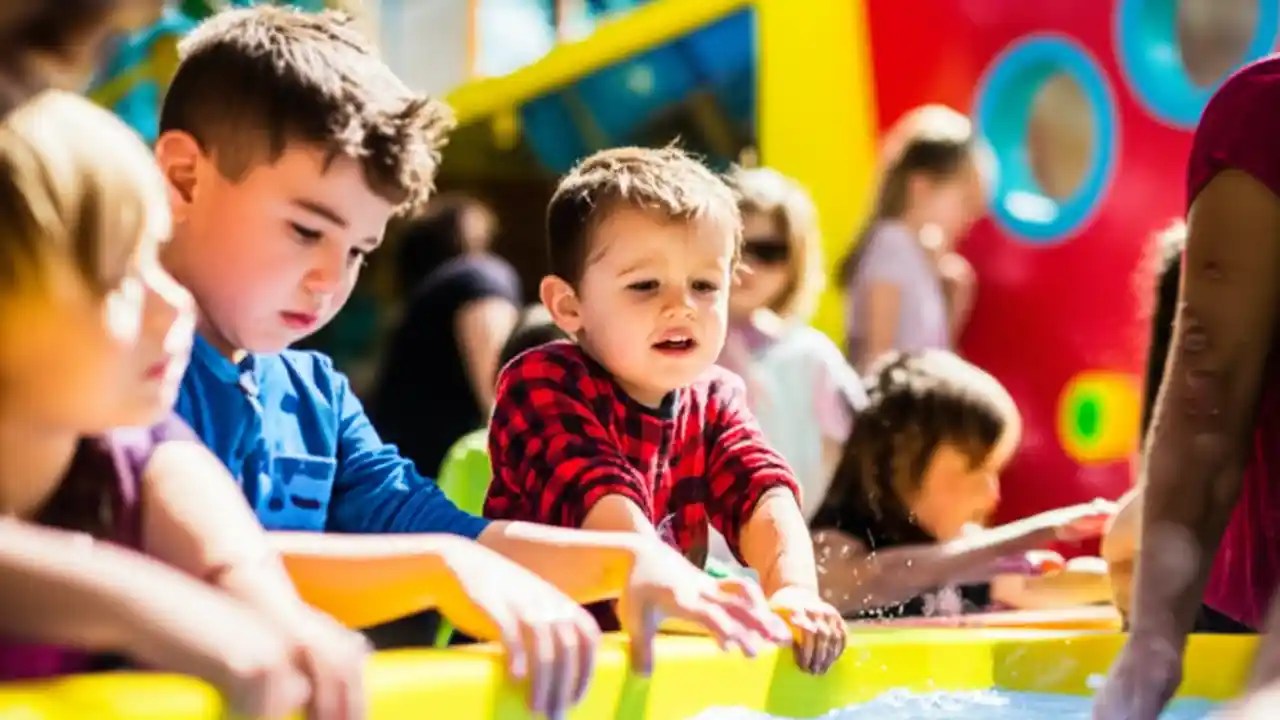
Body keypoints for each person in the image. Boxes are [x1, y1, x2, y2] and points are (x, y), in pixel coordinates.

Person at [154, 8, 789, 716]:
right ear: (184, 178)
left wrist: (633, 562)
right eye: (306, 230)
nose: (332, 278)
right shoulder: (110, 369)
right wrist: (440, 568)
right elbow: (154, 561)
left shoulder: (315, 397)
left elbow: (445, 530)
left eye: (362, 249)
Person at [0, 88, 368, 720]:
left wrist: (272, 617)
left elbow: (234, 561)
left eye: (155, 257)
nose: (173, 305)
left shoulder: (137, 452)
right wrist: (155, 611)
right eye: (119, 273)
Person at [484, 145, 848, 675]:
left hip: (642, 662)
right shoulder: (543, 383)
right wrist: (699, 595)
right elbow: (609, 516)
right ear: (569, 306)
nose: (681, 306)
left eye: (705, 285)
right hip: (528, 670)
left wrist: (792, 589)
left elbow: (762, 494)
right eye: (645, 285)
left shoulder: (715, 398)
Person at [1094, 55, 1280, 719]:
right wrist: (1150, 650)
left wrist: (1151, 650)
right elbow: (1207, 386)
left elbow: (1209, 385)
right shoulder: (1264, 113)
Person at [809, 351, 1114, 619]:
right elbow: (875, 579)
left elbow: (1039, 584)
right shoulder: (829, 545)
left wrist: (1136, 577)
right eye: (977, 469)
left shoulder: (962, 548)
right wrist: (1039, 531)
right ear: (901, 459)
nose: (992, 494)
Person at [718, 166, 865, 520]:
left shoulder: (810, 356)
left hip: (789, 549)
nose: (747, 265)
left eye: (767, 251)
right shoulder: (672, 347)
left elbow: (847, 459)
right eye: (735, 246)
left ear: (794, 261)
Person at [370, 194, 521, 476]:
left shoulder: (419, 308)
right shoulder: (476, 278)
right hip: (448, 484)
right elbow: (500, 383)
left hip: (401, 485)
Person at [838, 105, 987, 371]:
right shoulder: (891, 246)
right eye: (963, 201)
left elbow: (934, 353)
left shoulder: (917, 252)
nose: (968, 218)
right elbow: (876, 356)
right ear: (921, 187)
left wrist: (952, 298)